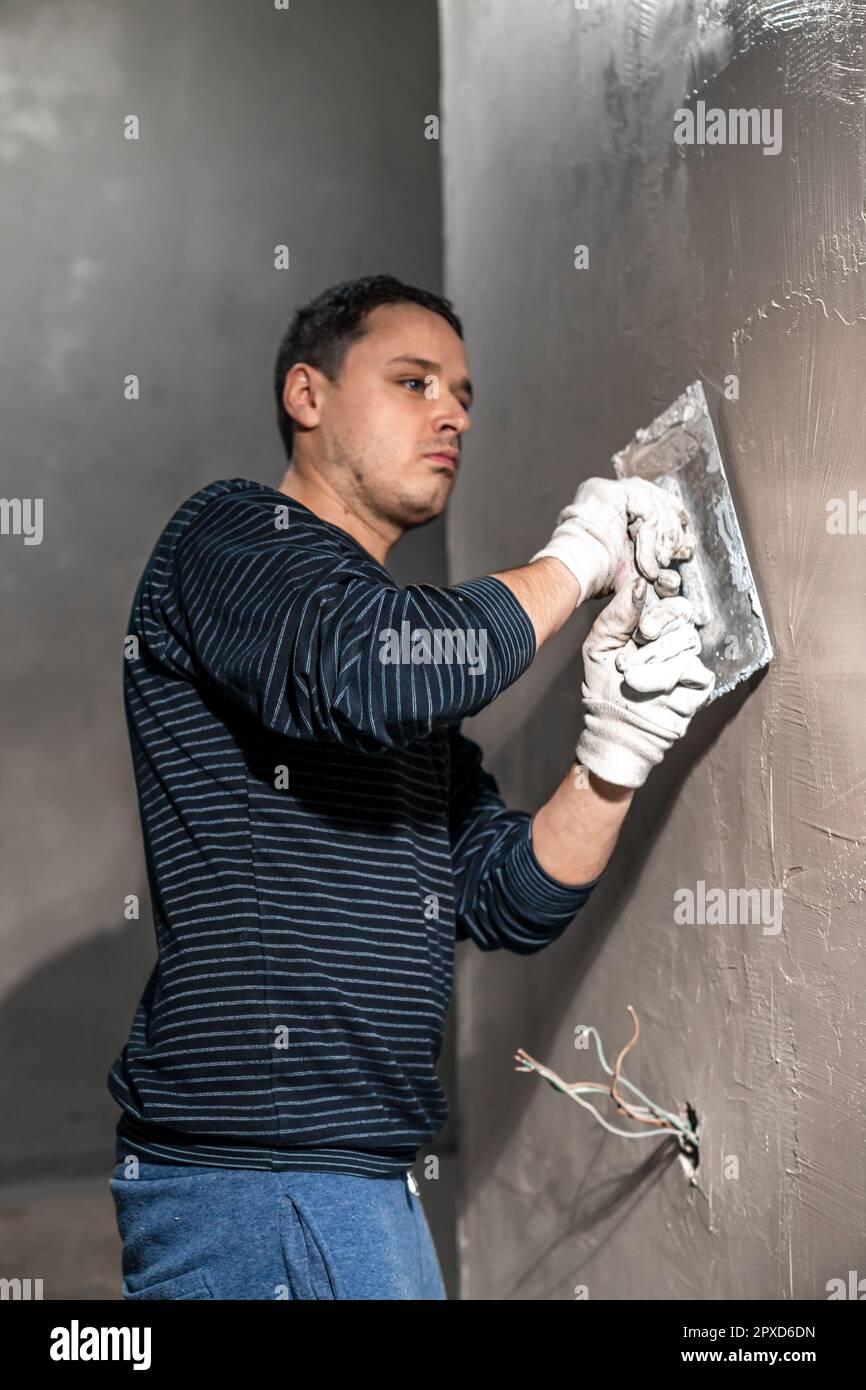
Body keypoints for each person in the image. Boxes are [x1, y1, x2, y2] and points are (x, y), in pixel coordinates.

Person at [108, 274, 714, 1300]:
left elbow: (507, 897)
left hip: (354, 1177)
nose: (451, 413)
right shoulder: (228, 541)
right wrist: (573, 561)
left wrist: (617, 748)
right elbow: (373, 667)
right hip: (259, 1174)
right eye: (413, 379)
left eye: (464, 395)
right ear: (307, 394)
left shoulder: (396, 682)